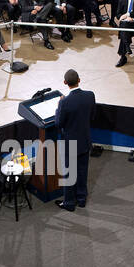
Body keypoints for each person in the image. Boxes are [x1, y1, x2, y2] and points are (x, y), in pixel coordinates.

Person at [55, 69, 95, 211]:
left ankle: (69, 203)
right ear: (79, 80)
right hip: (85, 140)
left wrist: (58, 106)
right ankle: (82, 199)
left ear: (65, 83)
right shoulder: (90, 96)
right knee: (83, 171)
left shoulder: (64, 102)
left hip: (70, 144)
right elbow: (92, 116)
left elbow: (58, 123)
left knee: (69, 174)